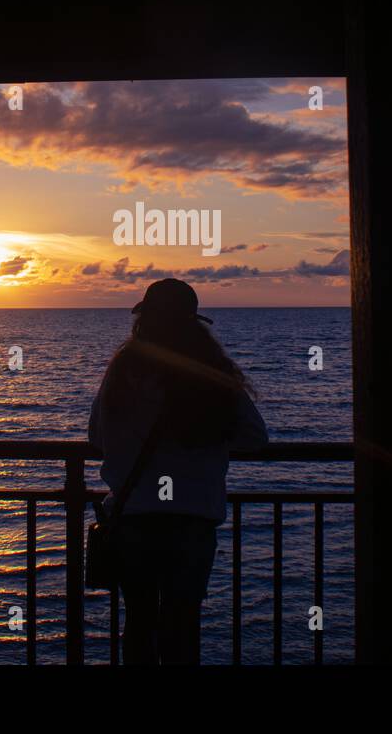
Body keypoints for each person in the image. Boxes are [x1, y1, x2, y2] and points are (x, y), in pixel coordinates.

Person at [88, 277, 268, 664]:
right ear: (194, 325)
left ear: (144, 320)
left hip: (133, 519)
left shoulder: (121, 373)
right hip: (191, 521)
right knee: (182, 625)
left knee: (138, 622)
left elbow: (97, 436)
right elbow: (255, 436)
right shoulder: (211, 378)